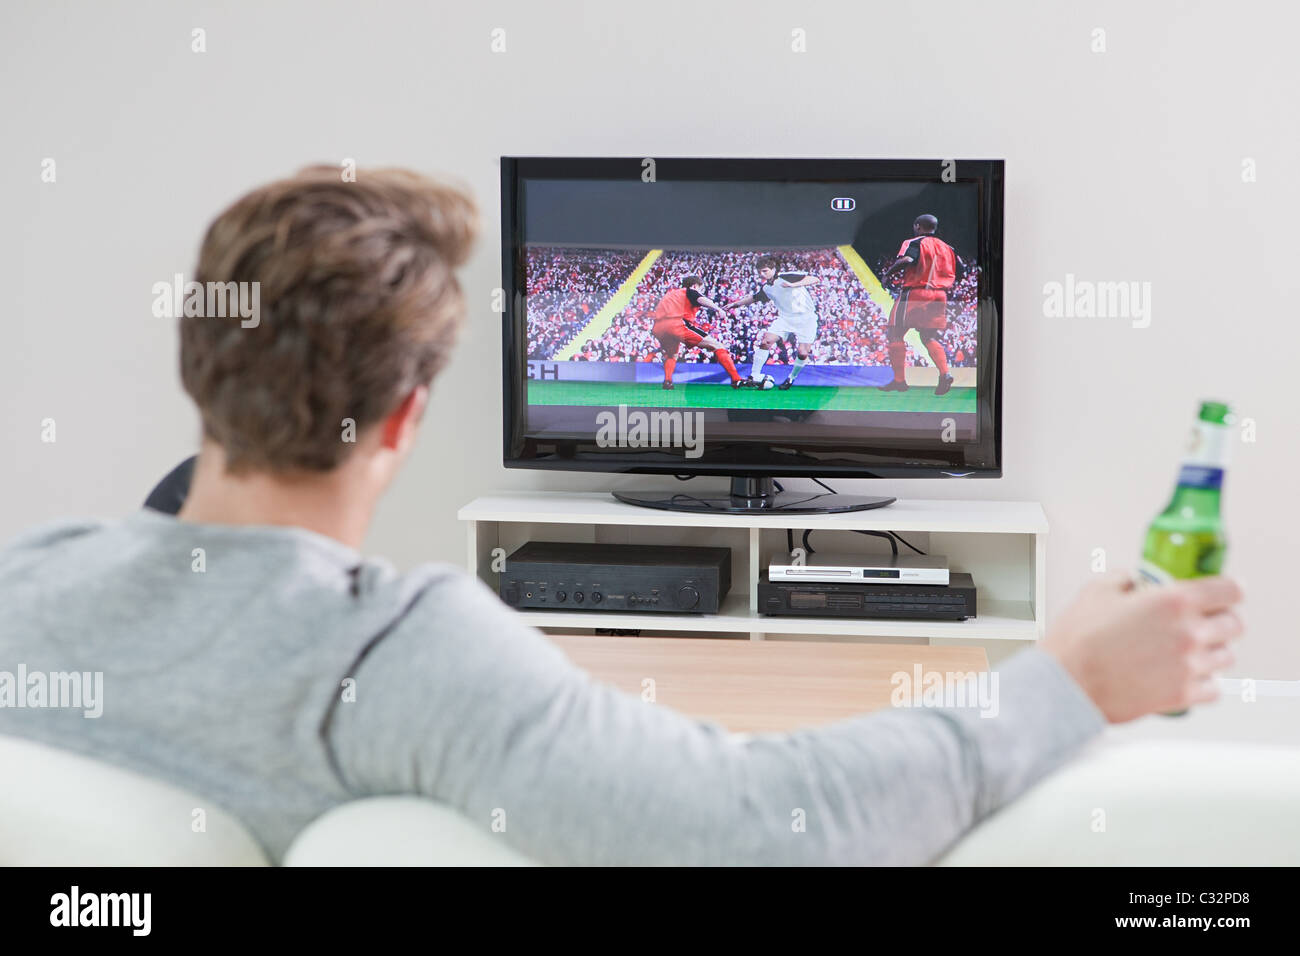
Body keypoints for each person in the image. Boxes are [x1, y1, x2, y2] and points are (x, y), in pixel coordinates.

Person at [0, 167, 1245, 866]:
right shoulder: (405, 653)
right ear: (403, 421)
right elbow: (766, 827)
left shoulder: (30, 582)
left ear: (194, 364)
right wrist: (1067, 679)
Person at [880, 214, 961, 395]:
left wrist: (888, 274)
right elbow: (961, 267)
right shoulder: (948, 247)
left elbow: (908, 259)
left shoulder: (914, 242)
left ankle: (899, 381)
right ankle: (945, 374)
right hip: (939, 294)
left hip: (915, 293)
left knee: (895, 333)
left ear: (917, 226)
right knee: (928, 337)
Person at [726, 255, 821, 389]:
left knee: (803, 353)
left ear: (773, 269)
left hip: (806, 319)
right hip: (785, 318)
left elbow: (815, 279)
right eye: (760, 272)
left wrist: (793, 284)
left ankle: (791, 378)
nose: (762, 274)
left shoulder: (786, 276)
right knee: (766, 341)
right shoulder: (767, 288)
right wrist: (735, 304)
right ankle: (754, 375)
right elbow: (754, 298)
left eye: (765, 271)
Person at [648, 275, 748, 389]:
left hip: (659, 327)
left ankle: (667, 381)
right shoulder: (690, 291)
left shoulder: (671, 294)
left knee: (672, 354)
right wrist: (718, 309)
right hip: (676, 324)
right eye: (701, 289)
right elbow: (700, 299)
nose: (701, 292)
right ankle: (736, 379)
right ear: (695, 286)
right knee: (717, 345)